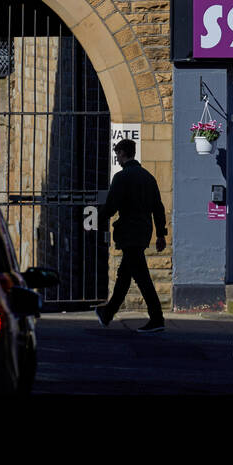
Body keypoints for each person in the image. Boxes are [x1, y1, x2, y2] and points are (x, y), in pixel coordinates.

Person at [96, 139, 168, 333]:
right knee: (124, 276)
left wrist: (96, 221)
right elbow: (158, 208)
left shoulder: (121, 177)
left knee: (142, 278)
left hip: (129, 233)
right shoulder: (148, 177)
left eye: (118, 154)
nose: (117, 158)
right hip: (143, 233)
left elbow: (111, 205)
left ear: (124, 153)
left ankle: (157, 318)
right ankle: (107, 313)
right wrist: (161, 234)